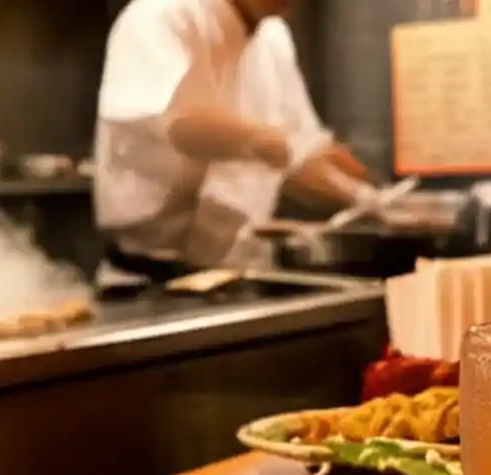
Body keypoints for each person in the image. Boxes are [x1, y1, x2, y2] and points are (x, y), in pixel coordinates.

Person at [94, 0, 377, 280]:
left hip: (235, 272)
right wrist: (275, 144)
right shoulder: (160, 15)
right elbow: (181, 124)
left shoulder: (274, 37)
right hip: (144, 276)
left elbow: (304, 155)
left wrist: (369, 199)